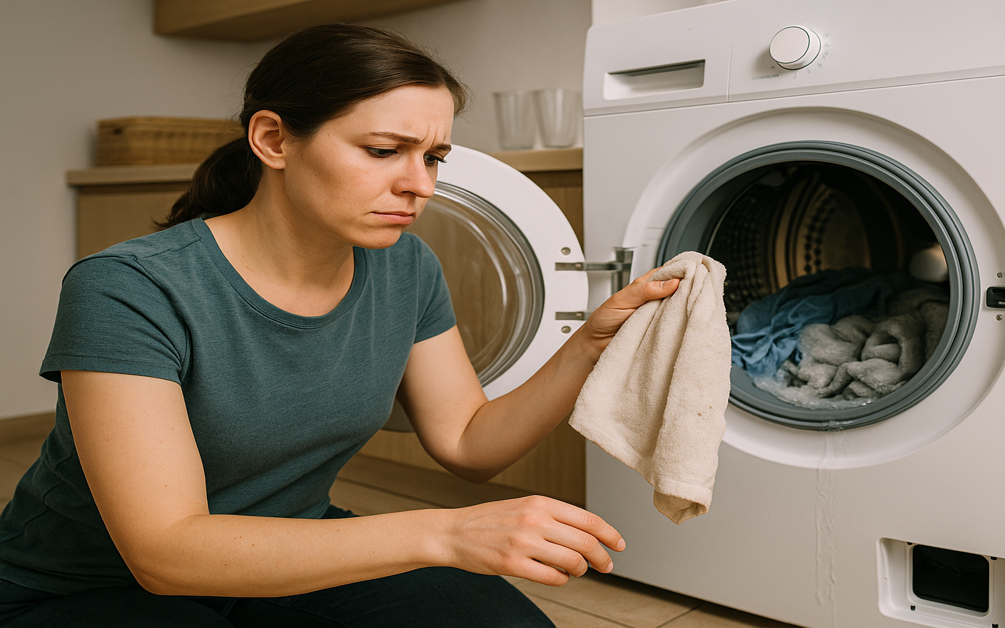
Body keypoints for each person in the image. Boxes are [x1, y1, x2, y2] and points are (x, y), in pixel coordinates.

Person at [0, 24, 678, 627]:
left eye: (433, 157)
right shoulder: (129, 286)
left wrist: (588, 346)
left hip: (293, 551)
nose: (421, 185)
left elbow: (470, 444)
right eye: (383, 150)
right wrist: (445, 535)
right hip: (87, 585)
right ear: (273, 140)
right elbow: (165, 553)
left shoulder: (406, 266)